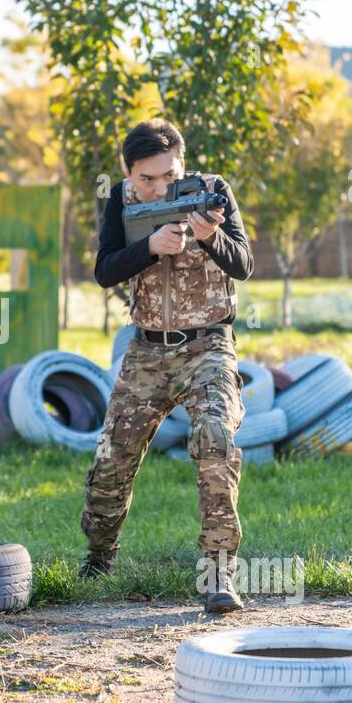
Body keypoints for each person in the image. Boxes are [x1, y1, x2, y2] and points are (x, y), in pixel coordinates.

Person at [78, 119, 254, 614]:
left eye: (168, 175)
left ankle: (219, 574)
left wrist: (212, 238)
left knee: (215, 438)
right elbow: (104, 269)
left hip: (208, 346)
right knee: (113, 457)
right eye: (146, 179)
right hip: (147, 349)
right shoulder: (120, 199)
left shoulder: (214, 192)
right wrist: (149, 248)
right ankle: (98, 559)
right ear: (128, 173)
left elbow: (244, 264)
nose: (159, 187)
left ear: (184, 161)